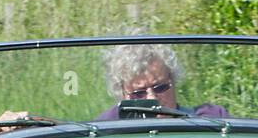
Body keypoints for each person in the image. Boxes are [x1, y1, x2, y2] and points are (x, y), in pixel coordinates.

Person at [94, 42, 227, 121]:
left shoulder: (213, 119)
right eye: (139, 93)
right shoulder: (104, 129)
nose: (152, 98)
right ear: (122, 93)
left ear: (173, 81)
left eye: (160, 87)